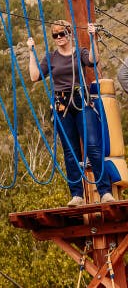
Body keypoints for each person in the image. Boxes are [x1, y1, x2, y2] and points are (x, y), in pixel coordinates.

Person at [27, 20, 113, 206]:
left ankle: (105, 191)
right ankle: (77, 194)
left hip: (80, 99)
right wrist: (31, 52)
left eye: (62, 34)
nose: (59, 38)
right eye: (55, 35)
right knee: (70, 151)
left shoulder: (79, 52)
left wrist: (92, 38)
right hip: (62, 104)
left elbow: (93, 60)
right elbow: (35, 76)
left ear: (69, 34)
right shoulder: (51, 58)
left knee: (93, 146)